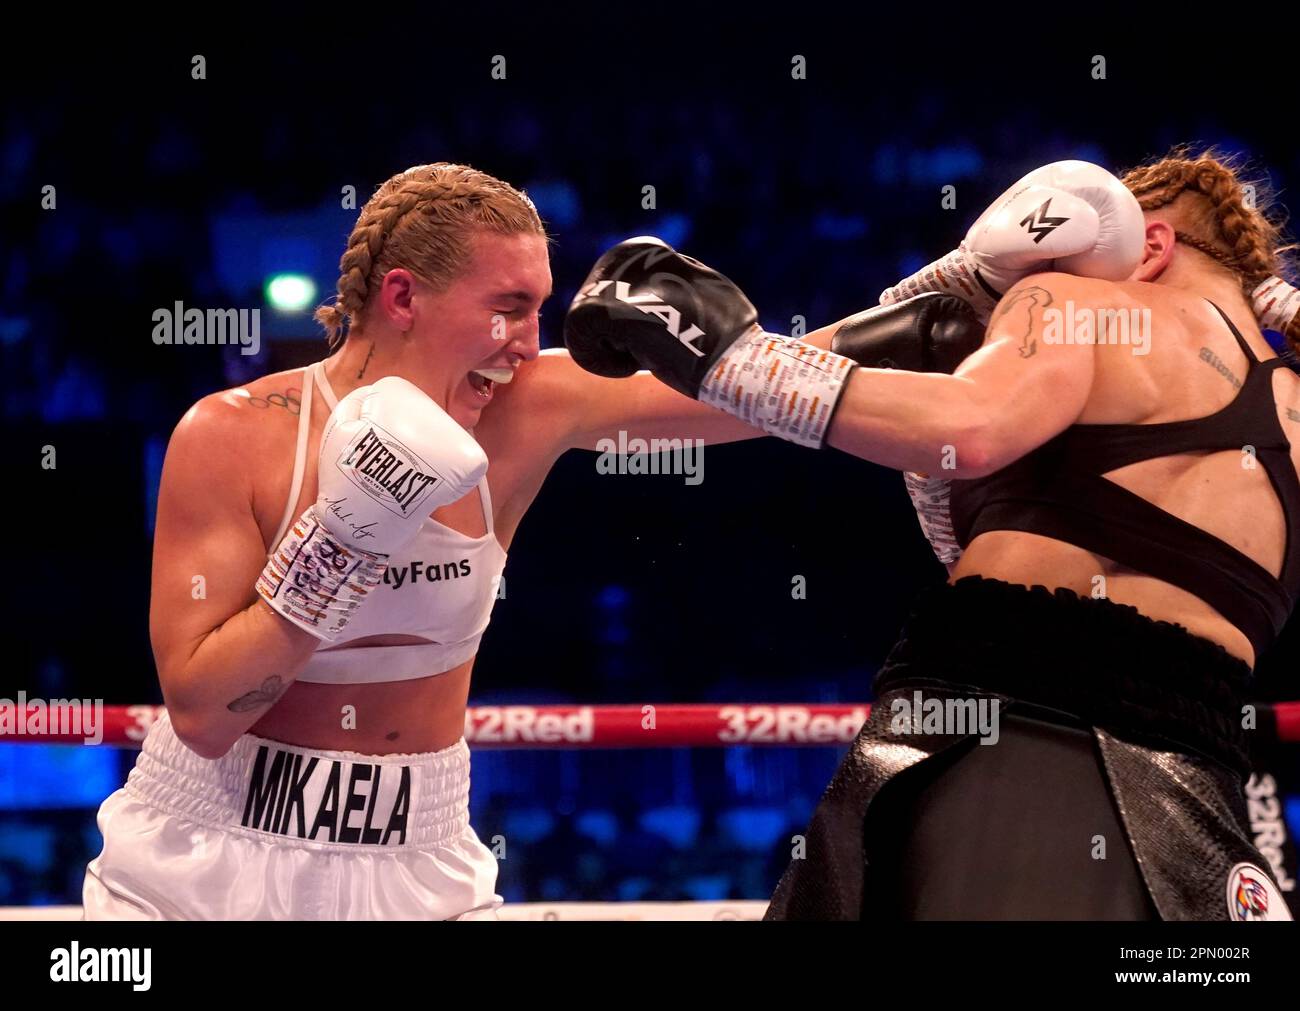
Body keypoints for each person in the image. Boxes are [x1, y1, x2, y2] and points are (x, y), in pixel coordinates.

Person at [563, 152, 1300, 920]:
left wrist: (734, 356)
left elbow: (970, 429)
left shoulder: (1078, 303)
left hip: (1006, 738)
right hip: (1200, 801)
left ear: (1147, 246)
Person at [82, 162, 764, 920]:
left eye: (539, 310)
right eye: (509, 308)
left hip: (419, 854)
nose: (530, 346)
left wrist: (908, 318)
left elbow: (750, 402)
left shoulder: (527, 409)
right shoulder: (232, 434)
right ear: (403, 296)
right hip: (209, 855)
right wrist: (340, 544)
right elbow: (205, 716)